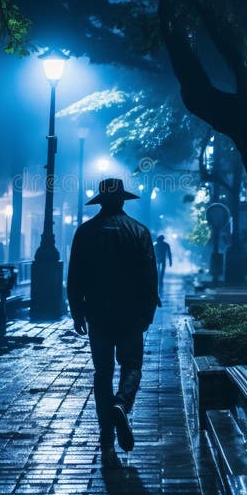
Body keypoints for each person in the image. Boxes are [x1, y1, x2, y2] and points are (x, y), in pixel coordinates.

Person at [67, 178, 159, 468]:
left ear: (100, 201)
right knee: (132, 365)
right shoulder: (139, 231)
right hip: (130, 312)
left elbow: (75, 275)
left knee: (102, 373)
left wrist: (76, 310)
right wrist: (148, 310)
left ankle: (106, 440)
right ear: (122, 200)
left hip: (97, 312)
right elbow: (149, 275)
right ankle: (122, 403)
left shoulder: (85, 232)